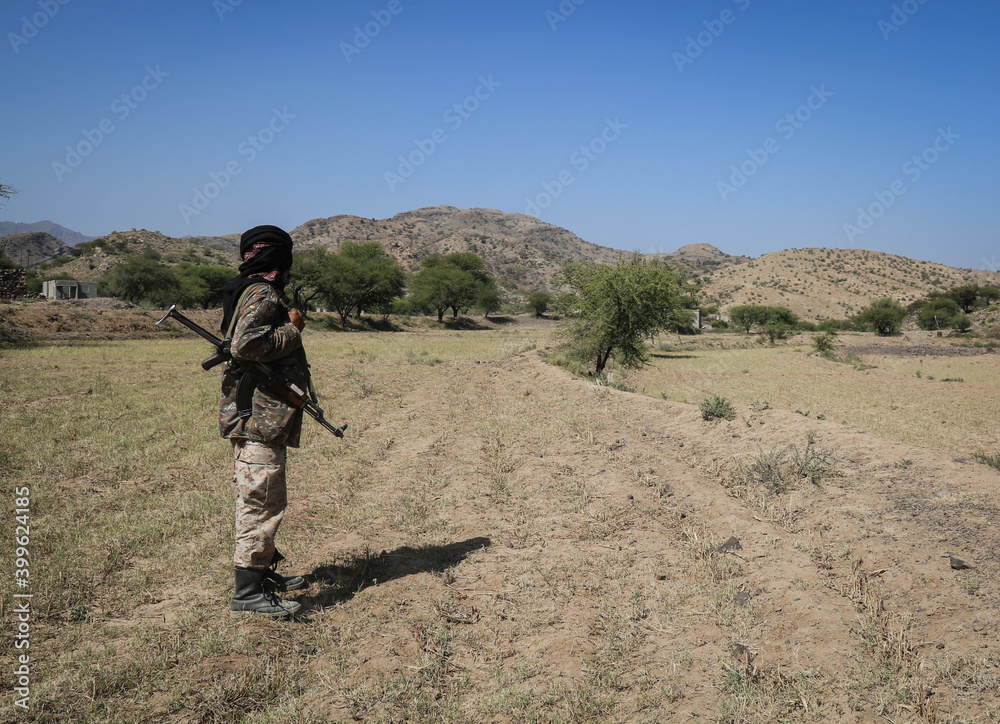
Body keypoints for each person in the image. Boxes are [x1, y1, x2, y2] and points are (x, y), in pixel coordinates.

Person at [219, 224, 309, 617]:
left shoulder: (250, 290)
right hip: (257, 418)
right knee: (260, 499)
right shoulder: (262, 293)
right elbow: (247, 345)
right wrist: (293, 329)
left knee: (268, 495)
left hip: (262, 418)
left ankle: (262, 572)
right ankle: (248, 592)